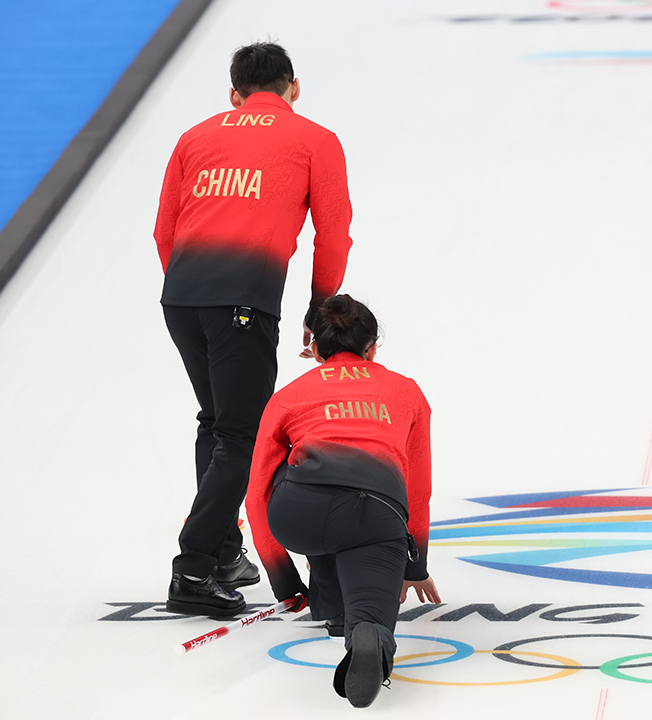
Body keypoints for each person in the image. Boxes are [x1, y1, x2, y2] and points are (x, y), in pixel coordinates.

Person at [153, 42, 353, 616]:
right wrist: (321, 307)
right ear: (295, 87)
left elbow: (165, 229)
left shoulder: (194, 137)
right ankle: (193, 569)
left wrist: (194, 288)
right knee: (242, 434)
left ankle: (222, 554)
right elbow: (333, 233)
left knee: (217, 422)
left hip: (182, 296)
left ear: (234, 95)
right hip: (242, 300)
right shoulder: (315, 139)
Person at [245, 294, 439, 708]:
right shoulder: (407, 392)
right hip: (373, 514)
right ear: (372, 349)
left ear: (315, 350)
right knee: (371, 597)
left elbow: (257, 490)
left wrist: (284, 581)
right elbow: (417, 489)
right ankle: (367, 631)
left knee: (291, 469)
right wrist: (414, 565)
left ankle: (331, 607)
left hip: (298, 513)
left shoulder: (289, 395)